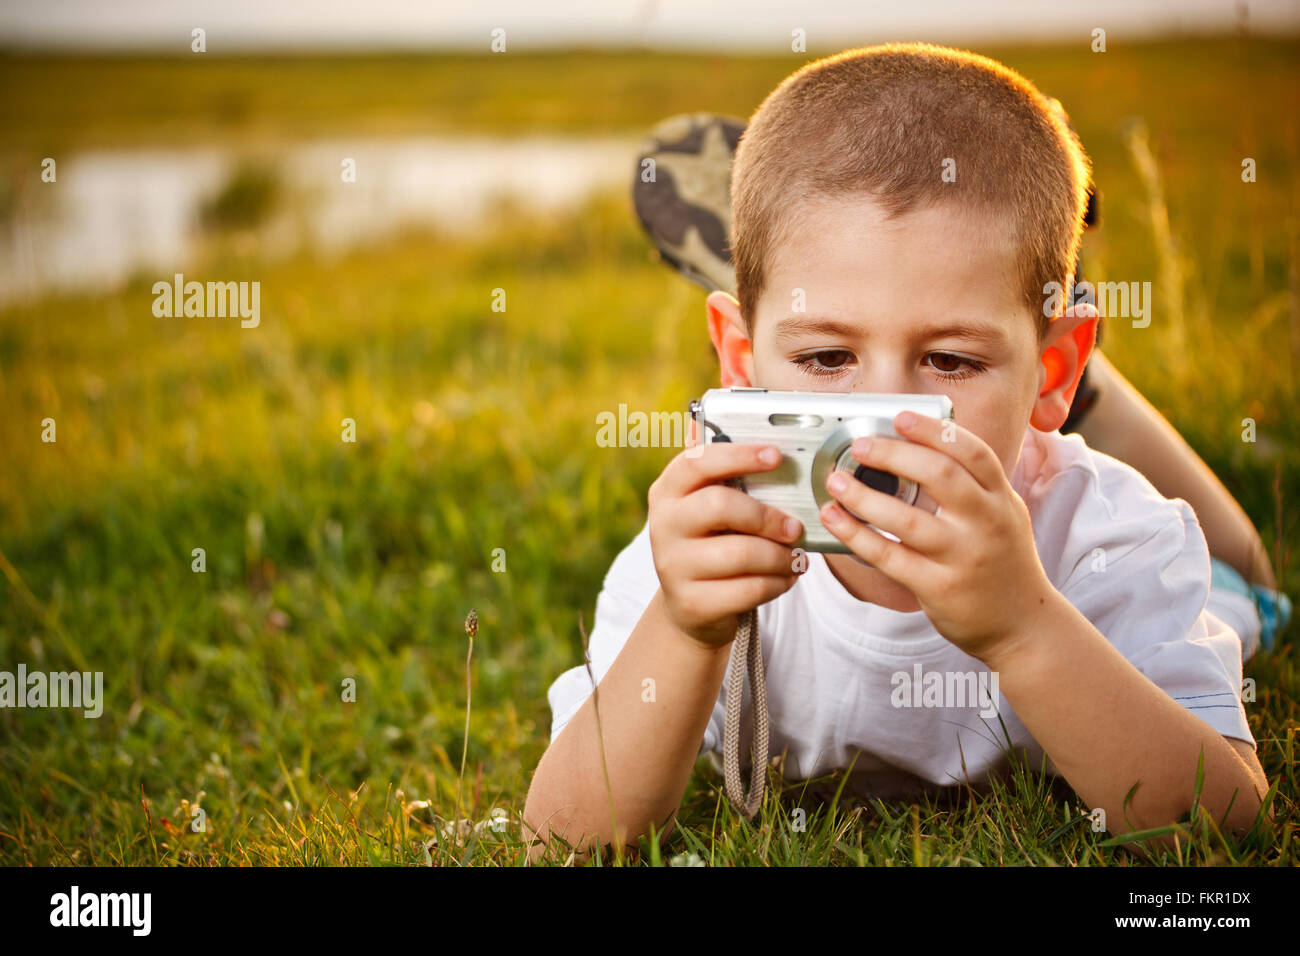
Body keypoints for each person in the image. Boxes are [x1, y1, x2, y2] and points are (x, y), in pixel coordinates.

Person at [523, 43, 1274, 861]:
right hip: (1014, 382)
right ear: (738, 362)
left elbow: (1226, 831)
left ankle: (1066, 383)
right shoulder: (710, 548)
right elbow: (562, 841)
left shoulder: (1113, 539)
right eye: (826, 359)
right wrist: (683, 629)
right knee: (979, 342)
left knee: (1247, 575)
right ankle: (992, 338)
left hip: (1194, 571)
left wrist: (1025, 627)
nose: (876, 425)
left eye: (949, 361)